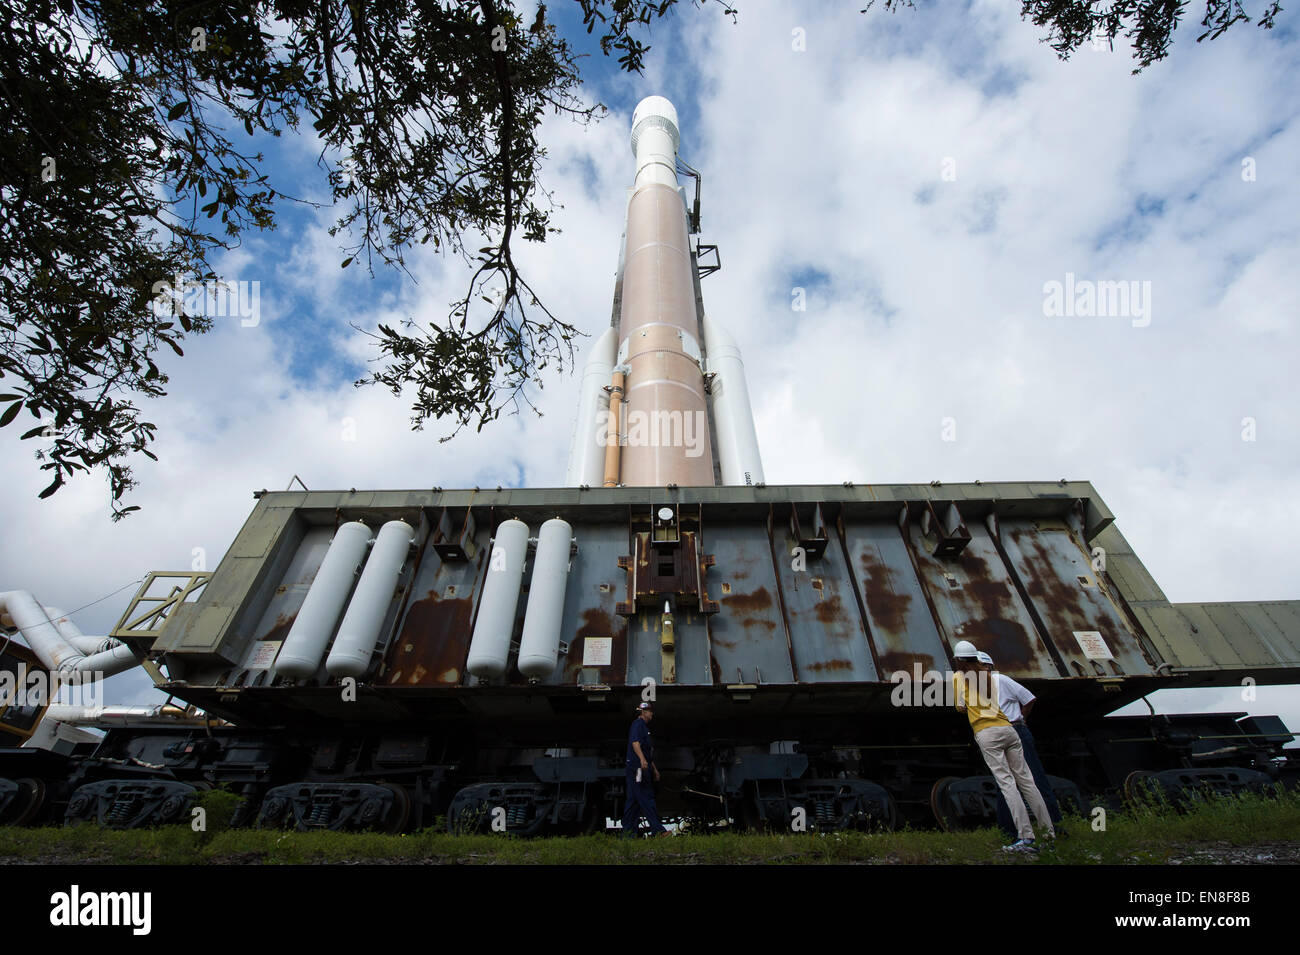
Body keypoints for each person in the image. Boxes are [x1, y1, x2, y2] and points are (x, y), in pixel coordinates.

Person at [950, 641, 1055, 852]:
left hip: (987, 732)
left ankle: (1026, 837)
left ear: (958, 659)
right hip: (1009, 730)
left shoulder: (958, 677)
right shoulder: (989, 676)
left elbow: (960, 707)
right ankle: (1049, 834)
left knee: (1007, 785)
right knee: (1028, 783)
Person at [978, 651, 1064, 840]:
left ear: (988, 666)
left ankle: (1055, 829)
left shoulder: (1000, 680)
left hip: (1014, 730)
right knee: (1006, 785)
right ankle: (1012, 834)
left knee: (1033, 780)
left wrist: (1021, 720)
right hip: (998, 732)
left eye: (978, 665)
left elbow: (1029, 698)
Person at [622, 702, 668, 838]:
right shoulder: (638, 725)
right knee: (646, 796)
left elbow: (647, 752)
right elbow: (635, 743)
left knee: (633, 801)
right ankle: (658, 830)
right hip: (638, 768)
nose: (651, 713)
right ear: (643, 712)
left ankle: (628, 834)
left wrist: (654, 769)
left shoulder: (644, 728)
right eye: (649, 711)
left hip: (640, 766)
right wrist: (642, 760)